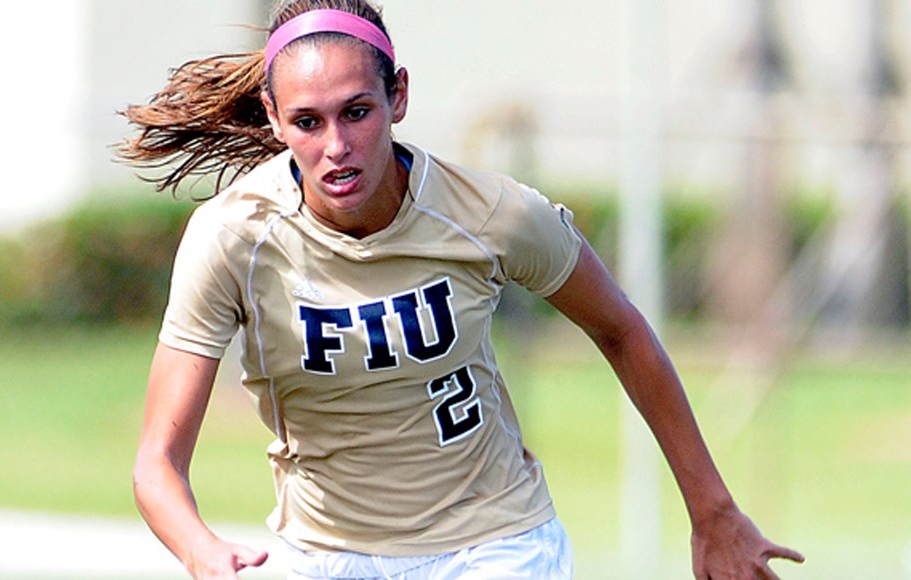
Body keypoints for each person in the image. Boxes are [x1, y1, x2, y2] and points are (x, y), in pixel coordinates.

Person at [120, 1, 805, 578]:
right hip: (323, 555)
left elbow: (620, 329)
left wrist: (713, 511)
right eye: (308, 121)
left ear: (399, 96)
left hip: (494, 545)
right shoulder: (232, 239)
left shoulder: (492, 214)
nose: (336, 145)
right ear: (273, 117)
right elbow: (157, 464)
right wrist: (201, 551)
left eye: (357, 112)